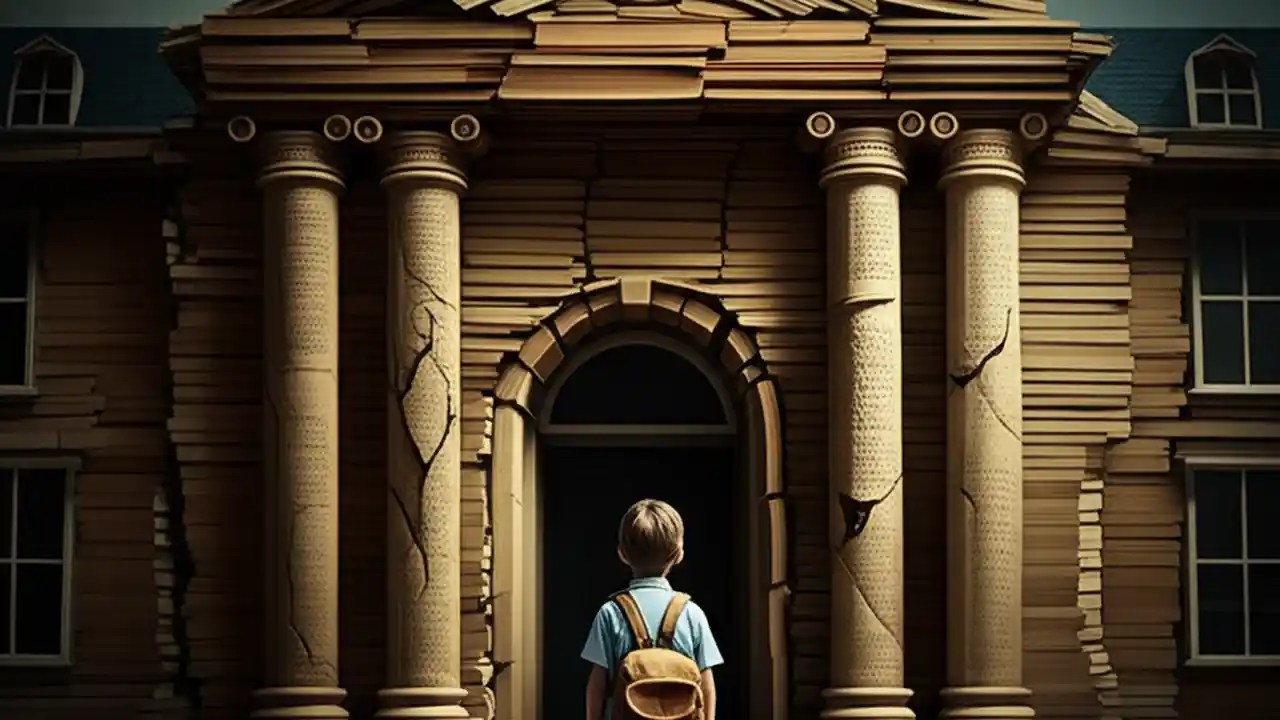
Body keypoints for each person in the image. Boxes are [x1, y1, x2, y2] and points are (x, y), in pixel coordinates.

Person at [581, 498, 723, 720]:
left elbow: (597, 685)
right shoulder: (692, 613)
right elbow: (706, 682)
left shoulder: (610, 613)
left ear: (622, 553)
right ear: (678, 554)